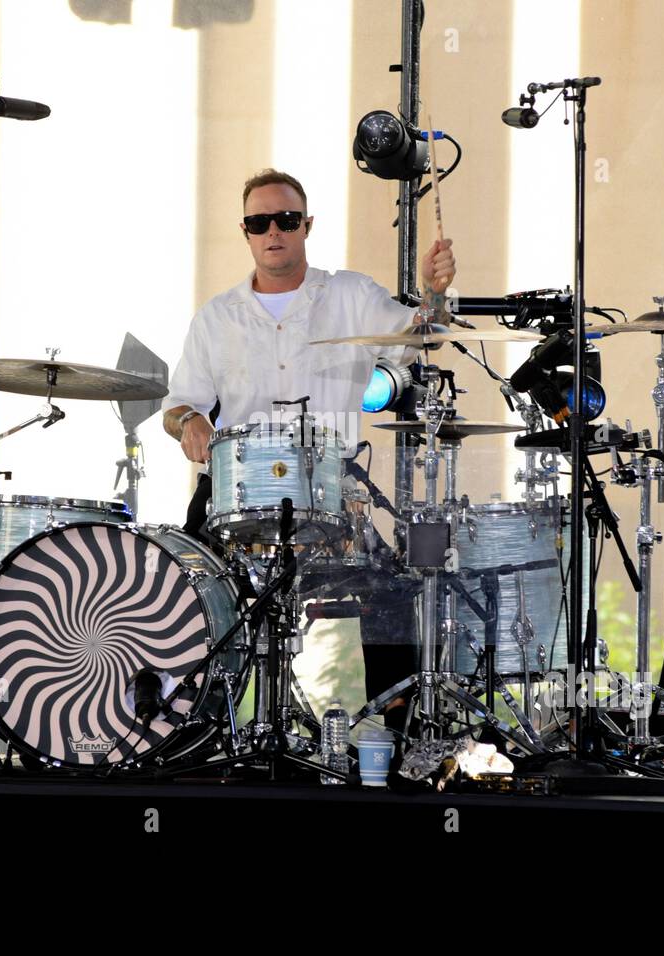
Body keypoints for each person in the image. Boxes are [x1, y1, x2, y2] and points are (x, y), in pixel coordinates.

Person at [162, 168, 456, 733]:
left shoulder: (348, 293)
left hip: (332, 498)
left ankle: (393, 739)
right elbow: (178, 406)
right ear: (245, 231)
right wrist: (190, 422)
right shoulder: (217, 317)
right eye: (259, 222)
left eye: (286, 220)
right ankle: (188, 731)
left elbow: (422, 335)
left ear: (306, 226)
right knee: (181, 592)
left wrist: (436, 295)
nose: (273, 231)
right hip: (235, 496)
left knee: (397, 598)